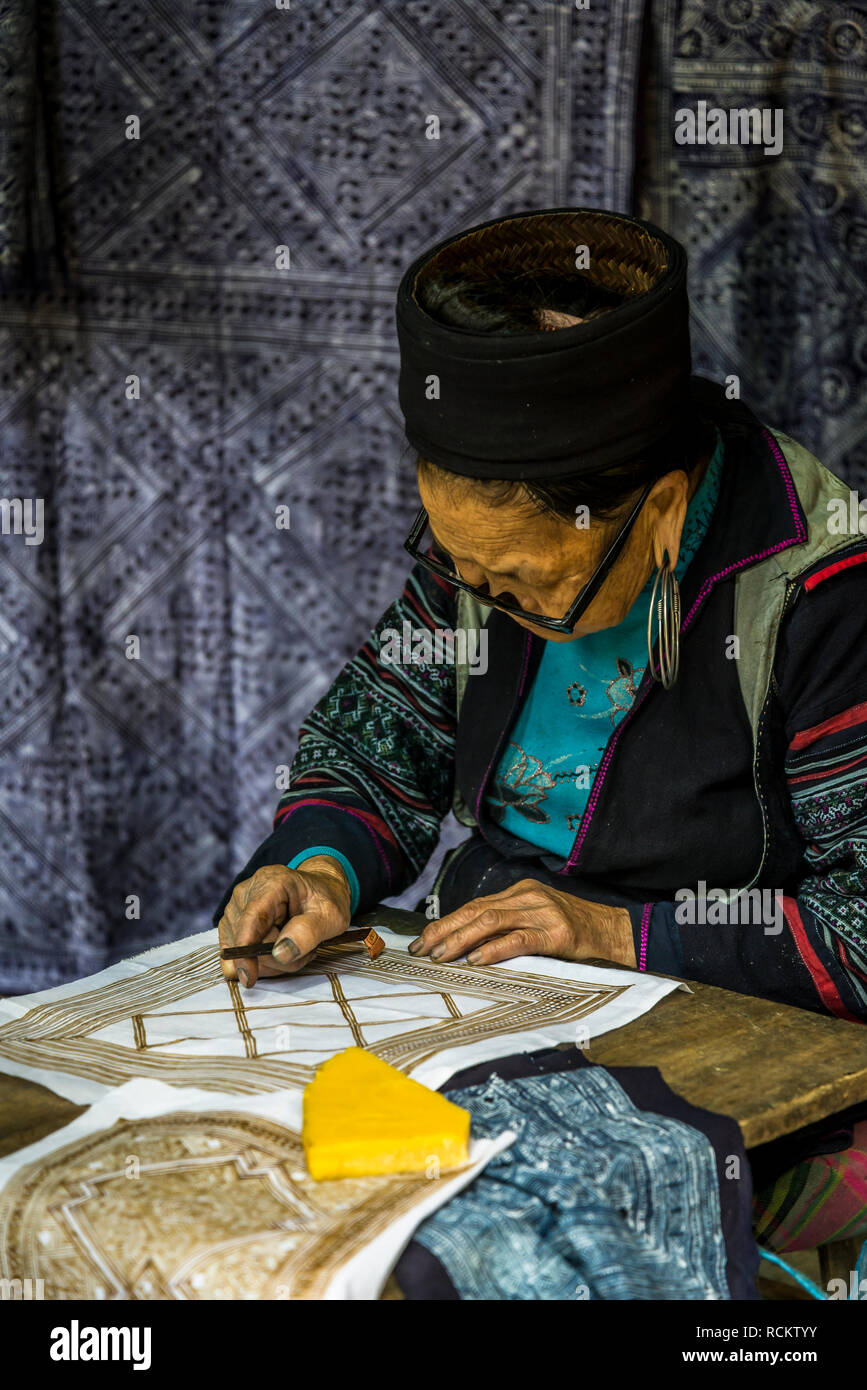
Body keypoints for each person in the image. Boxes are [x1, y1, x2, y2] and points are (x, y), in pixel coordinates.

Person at [214, 207, 867, 1252]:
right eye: (456, 561)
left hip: (721, 1028)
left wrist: (616, 933)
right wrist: (320, 862)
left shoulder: (822, 596)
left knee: (474, 1237)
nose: (473, 593)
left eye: (514, 585)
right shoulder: (483, 550)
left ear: (657, 514)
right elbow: (376, 742)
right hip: (493, 999)